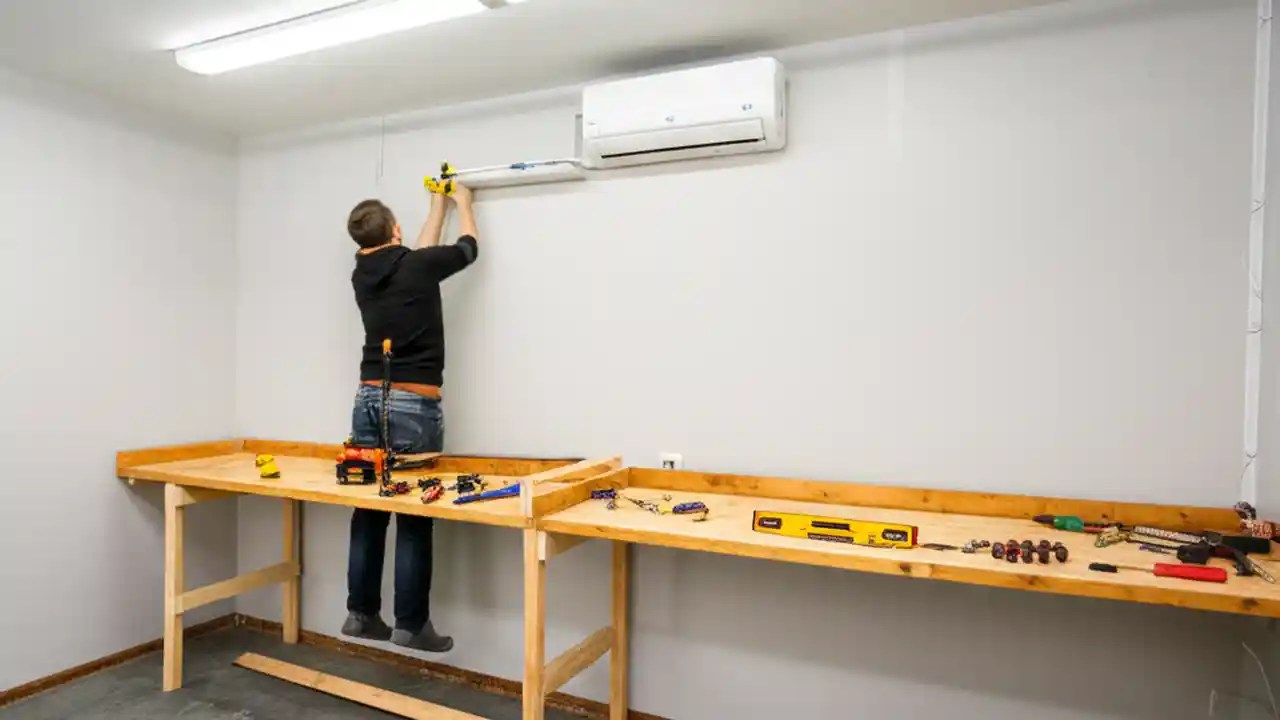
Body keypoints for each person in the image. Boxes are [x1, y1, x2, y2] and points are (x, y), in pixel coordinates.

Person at [340, 183, 478, 652]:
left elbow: (419, 253)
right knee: (414, 513)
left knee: (369, 507)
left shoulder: (363, 272)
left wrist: (434, 207)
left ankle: (360, 614)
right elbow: (467, 250)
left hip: (367, 400)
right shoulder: (417, 266)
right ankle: (411, 624)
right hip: (412, 405)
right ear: (395, 231)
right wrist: (463, 204)